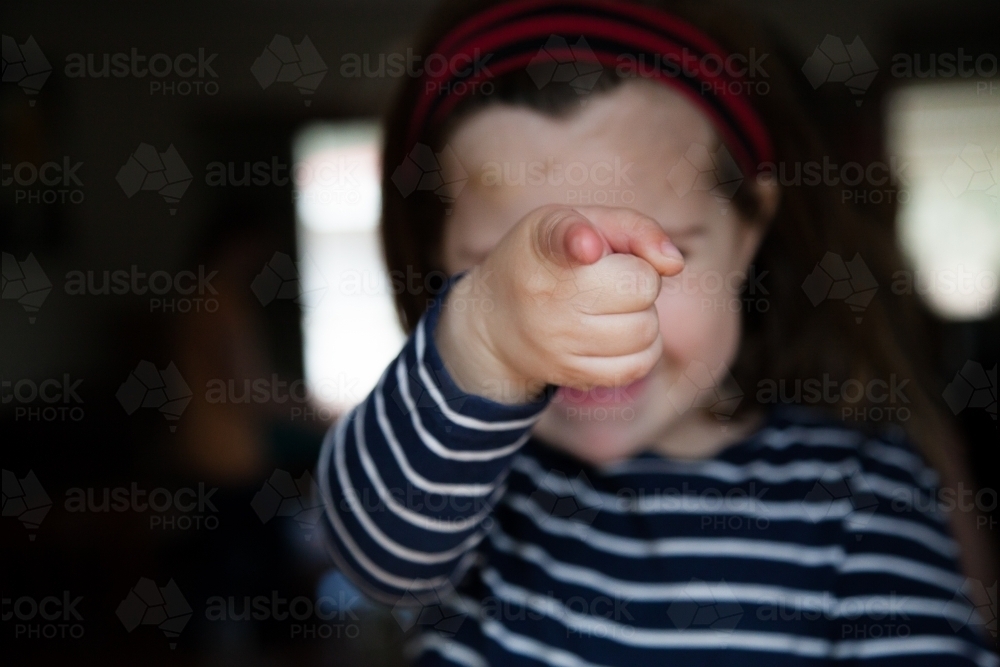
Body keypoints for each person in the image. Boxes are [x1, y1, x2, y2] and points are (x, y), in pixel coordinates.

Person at [318, 0, 997, 664]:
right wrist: (484, 347)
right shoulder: (465, 486)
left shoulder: (860, 494)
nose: (590, 321)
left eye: (650, 255)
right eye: (505, 274)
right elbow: (375, 556)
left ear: (748, 229)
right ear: (441, 267)